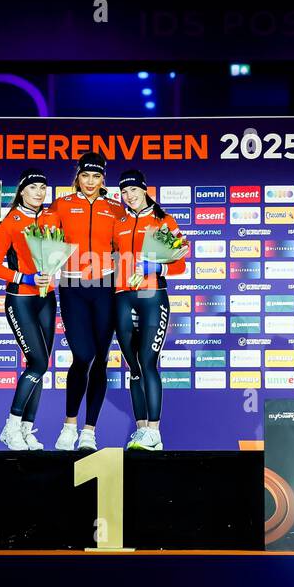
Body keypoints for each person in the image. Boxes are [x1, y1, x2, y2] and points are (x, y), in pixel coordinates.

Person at [50, 152, 122, 452]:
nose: (90, 182)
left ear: (103, 178)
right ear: (77, 176)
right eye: (85, 175)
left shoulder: (115, 208)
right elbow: (37, 230)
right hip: (72, 286)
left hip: (105, 286)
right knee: (82, 355)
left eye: (96, 176)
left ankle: (89, 431)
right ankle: (69, 425)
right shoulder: (62, 204)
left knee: (101, 359)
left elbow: (131, 239)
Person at [112, 169, 187, 452]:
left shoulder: (163, 220)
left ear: (144, 189)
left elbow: (180, 262)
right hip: (122, 296)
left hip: (153, 295)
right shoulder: (118, 222)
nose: (129, 196)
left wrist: (158, 267)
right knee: (133, 366)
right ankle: (142, 431)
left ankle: (155, 431)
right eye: (124, 192)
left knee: (147, 360)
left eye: (133, 190)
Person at [0, 169, 59, 451]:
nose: (39, 192)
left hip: (47, 298)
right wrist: (22, 277)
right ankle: (11, 426)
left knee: (39, 367)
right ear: (22, 191)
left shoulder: (52, 217)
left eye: (43, 187)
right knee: (38, 363)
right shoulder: (10, 221)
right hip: (21, 299)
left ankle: (27, 430)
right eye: (33, 188)